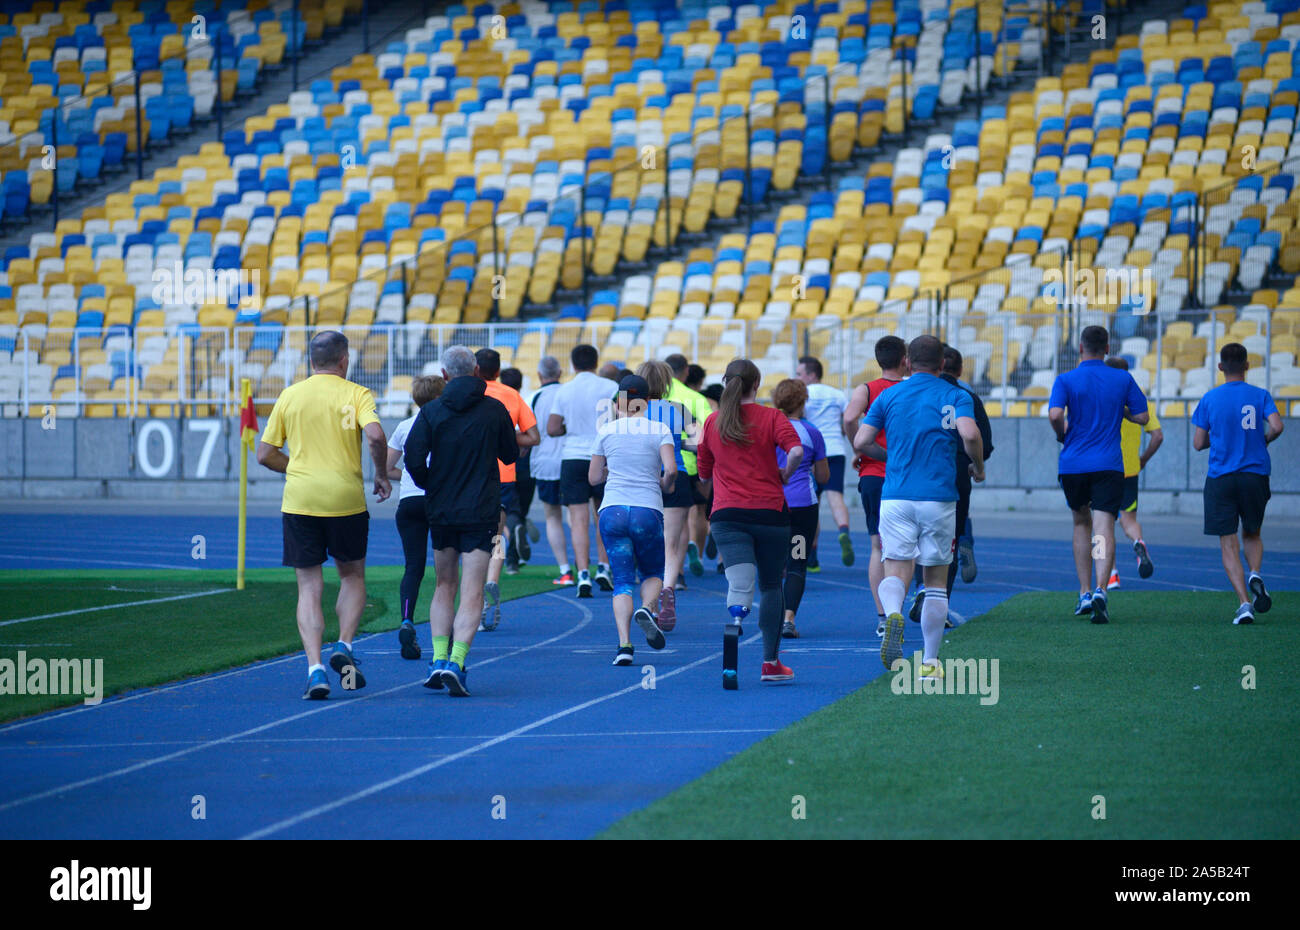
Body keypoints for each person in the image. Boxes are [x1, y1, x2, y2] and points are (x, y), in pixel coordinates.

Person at [255, 330, 391, 700]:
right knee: (351, 575)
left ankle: (315, 669)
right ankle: (344, 646)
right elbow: (377, 437)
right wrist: (380, 474)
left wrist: (297, 467)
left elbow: (265, 453)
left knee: (309, 586)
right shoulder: (356, 394)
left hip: (301, 500)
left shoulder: (290, 395)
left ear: (311, 361)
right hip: (345, 499)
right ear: (344, 360)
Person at [853, 335, 985, 682]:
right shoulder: (956, 395)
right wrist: (979, 466)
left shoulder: (889, 394)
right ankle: (929, 663)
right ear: (943, 365)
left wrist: (890, 457)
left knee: (895, 568)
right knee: (936, 582)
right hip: (938, 497)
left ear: (908, 362)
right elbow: (970, 435)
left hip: (896, 495)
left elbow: (861, 442)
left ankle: (893, 613)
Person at [404, 345, 519, 697]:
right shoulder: (494, 409)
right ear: (476, 371)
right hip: (481, 509)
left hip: (442, 508)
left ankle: (438, 659)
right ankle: (457, 661)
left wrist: (429, 483)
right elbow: (509, 454)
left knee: (444, 585)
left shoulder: (432, 411)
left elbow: (412, 456)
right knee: (471, 590)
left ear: (444, 375)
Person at [697, 358, 804, 684]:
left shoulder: (713, 422)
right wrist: (785, 473)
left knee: (740, 583)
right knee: (772, 585)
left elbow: (703, 472)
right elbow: (796, 450)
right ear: (756, 385)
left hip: (728, 514)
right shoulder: (772, 417)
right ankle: (771, 664)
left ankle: (735, 622)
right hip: (769, 512)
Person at [1048, 324, 1149, 624]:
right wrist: (1123, 412)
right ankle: (1102, 589)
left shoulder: (1065, 379)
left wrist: (1062, 434)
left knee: (1081, 523)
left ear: (1080, 348)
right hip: (1109, 464)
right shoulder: (1121, 377)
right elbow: (1142, 417)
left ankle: (1083, 592)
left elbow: (1055, 415)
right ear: (1107, 349)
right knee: (1104, 525)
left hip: (1074, 464)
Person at [1191, 342, 1284, 625]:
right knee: (1252, 533)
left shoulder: (1210, 398)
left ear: (1220, 367)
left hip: (1221, 476)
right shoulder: (1260, 395)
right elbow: (1277, 425)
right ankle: (1255, 571)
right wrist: (1263, 439)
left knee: (1227, 541)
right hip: (1254, 473)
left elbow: (1197, 443)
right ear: (1246, 366)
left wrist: (1218, 439)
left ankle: (1244, 603)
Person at [590, 373, 677, 664]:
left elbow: (592, 478)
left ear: (620, 401)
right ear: (647, 401)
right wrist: (665, 485)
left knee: (623, 580)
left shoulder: (606, 430)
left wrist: (606, 474)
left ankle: (624, 645)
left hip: (613, 509)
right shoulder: (659, 428)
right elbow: (671, 470)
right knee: (653, 571)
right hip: (646, 509)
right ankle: (648, 607)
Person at [908, 346, 993, 626]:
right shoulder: (966, 397)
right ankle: (940, 603)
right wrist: (977, 465)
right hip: (955, 472)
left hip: (914, 472)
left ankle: (919, 589)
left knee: (916, 536)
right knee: (949, 542)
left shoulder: (911, 393)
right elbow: (981, 439)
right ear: (957, 369)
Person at [843, 335, 908, 634]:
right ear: (905, 359)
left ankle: (883, 617)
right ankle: (899, 609)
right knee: (906, 549)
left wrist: (859, 447)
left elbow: (849, 418)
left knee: (876, 546)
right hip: (906, 477)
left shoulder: (867, 389)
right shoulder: (911, 389)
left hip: (873, 474)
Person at [476, 348, 540, 630]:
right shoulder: (511, 395)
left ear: (475, 369)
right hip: (503, 474)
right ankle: (492, 580)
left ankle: (474, 597)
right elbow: (533, 437)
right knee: (497, 534)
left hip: (470, 474)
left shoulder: (467, 393)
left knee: (471, 537)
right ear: (499, 371)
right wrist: (505, 435)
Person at [547, 344, 618, 596]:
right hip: (603, 455)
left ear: (573, 363)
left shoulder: (564, 390)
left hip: (573, 457)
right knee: (603, 516)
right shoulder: (610, 388)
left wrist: (571, 429)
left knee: (578, 520)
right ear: (596, 362)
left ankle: (583, 573)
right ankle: (603, 567)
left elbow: (553, 428)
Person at [385, 374, 445, 660]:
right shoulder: (445, 425)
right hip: (440, 500)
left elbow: (387, 467)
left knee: (413, 567)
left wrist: (408, 476)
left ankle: (407, 619)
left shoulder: (403, 426)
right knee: (446, 574)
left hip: (409, 500)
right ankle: (446, 635)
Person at [772, 379, 829, 639]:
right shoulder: (811, 432)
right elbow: (824, 476)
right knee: (797, 562)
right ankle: (788, 618)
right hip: (803, 507)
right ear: (803, 402)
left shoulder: (768, 428)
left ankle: (769, 617)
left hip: (772, 505)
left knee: (771, 564)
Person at [637, 359, 692, 630]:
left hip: (644, 479)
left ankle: (650, 601)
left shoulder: (632, 412)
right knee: (670, 544)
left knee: (648, 543)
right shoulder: (678, 409)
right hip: (675, 475)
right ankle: (668, 587)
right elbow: (698, 442)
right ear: (668, 383)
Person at [1104, 356, 1161, 589]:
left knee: (1100, 525)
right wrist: (1143, 459)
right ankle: (1138, 542)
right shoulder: (1139, 401)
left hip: (1102, 468)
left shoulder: (1101, 398)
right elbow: (1157, 436)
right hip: (1129, 470)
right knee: (1129, 520)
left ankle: (1110, 574)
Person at [796, 356, 854, 568]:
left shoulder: (804, 394)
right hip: (836, 449)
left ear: (812, 375)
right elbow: (850, 418)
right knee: (835, 495)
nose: (797, 378)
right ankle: (843, 530)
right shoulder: (837, 394)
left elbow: (799, 418)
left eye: (800, 374)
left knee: (812, 505)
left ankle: (811, 557)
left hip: (811, 451)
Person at [665, 353, 715, 579]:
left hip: (657, 464)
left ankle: (668, 567)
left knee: (664, 519)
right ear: (686, 370)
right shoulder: (694, 398)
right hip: (690, 464)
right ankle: (696, 551)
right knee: (696, 514)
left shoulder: (650, 397)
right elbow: (707, 434)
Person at [528, 356, 572, 585]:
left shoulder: (534, 397)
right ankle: (588, 567)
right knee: (579, 516)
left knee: (552, 517)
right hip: (573, 459)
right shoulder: (570, 392)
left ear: (539, 375)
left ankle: (566, 570)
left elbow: (523, 431)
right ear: (561, 372)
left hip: (545, 463)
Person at [500, 366, 542, 553]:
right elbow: (532, 434)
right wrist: (521, 442)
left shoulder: (495, 402)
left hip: (501, 465)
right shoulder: (523, 402)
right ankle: (519, 529)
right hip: (524, 462)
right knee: (518, 510)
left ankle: (512, 556)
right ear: (521, 383)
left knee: (503, 510)